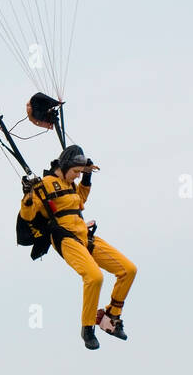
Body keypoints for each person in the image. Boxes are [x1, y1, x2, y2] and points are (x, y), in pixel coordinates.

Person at [19, 145, 138, 350]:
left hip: (85, 236)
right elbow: (28, 216)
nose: (76, 176)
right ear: (64, 166)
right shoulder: (45, 185)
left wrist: (87, 178)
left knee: (128, 270)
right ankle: (88, 327)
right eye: (75, 172)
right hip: (66, 239)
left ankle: (111, 316)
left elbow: (79, 201)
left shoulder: (70, 183)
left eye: (78, 173)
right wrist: (28, 196)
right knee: (94, 277)